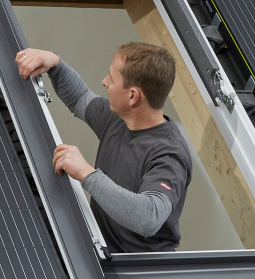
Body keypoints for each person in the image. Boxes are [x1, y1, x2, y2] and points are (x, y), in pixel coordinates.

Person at [16, 43, 192, 253]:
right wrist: (55, 64)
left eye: (112, 78)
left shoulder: (169, 153)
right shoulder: (120, 119)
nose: (104, 81)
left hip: (139, 267)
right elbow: (81, 98)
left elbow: (149, 218)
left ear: (132, 96)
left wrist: (86, 173)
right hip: (103, 252)